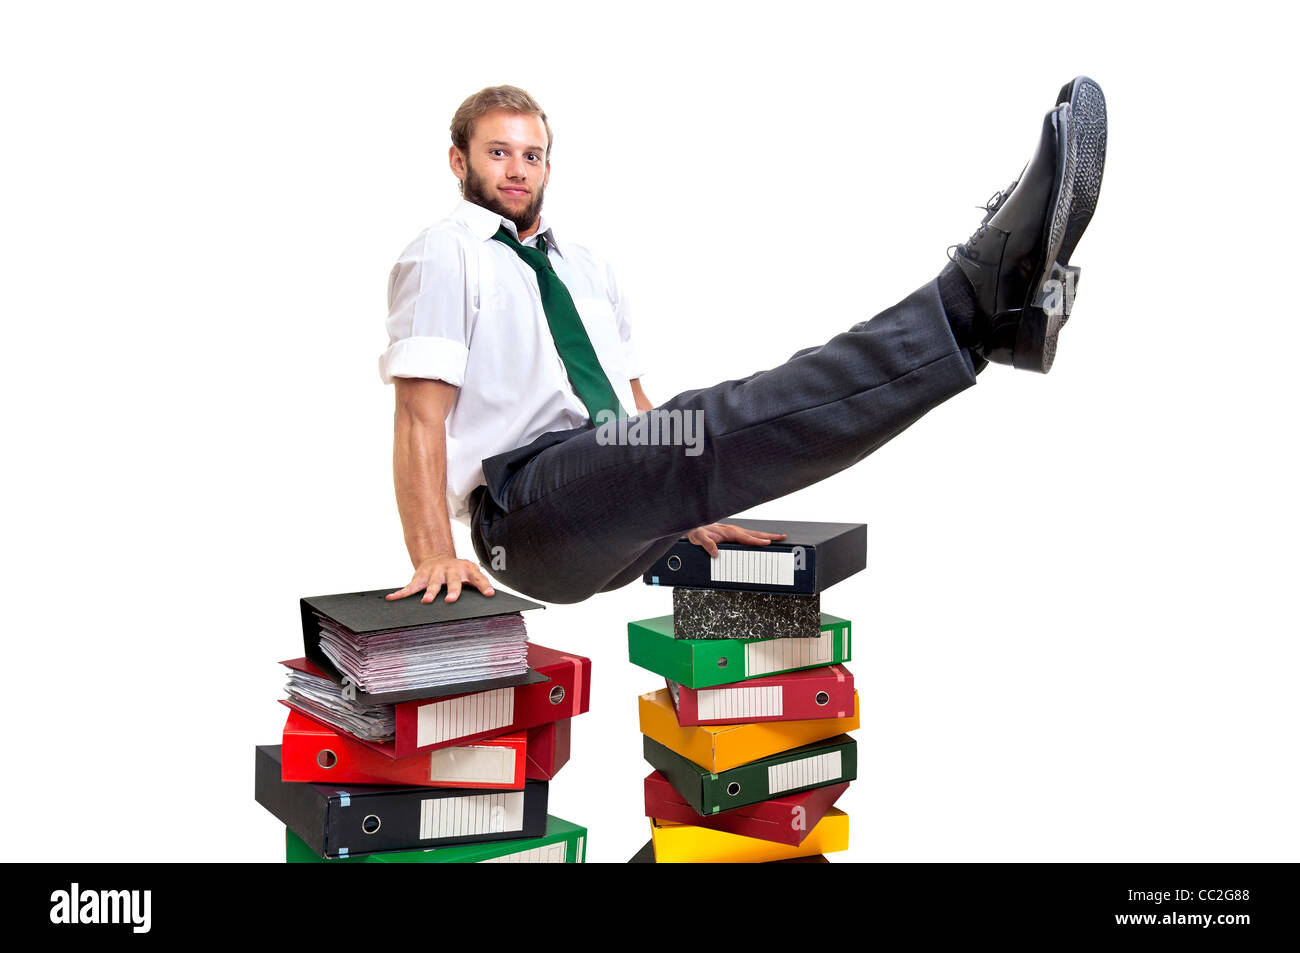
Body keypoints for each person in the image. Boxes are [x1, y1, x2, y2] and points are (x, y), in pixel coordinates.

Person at [382, 79, 1107, 605]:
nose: (517, 169)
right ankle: (971, 305)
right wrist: (433, 556)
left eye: (532, 155)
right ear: (459, 161)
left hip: (614, 519)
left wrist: (689, 494)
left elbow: (636, 405)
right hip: (525, 519)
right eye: (498, 153)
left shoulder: (587, 266)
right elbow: (419, 415)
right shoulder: (445, 253)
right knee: (706, 420)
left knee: (699, 427)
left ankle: (984, 334)